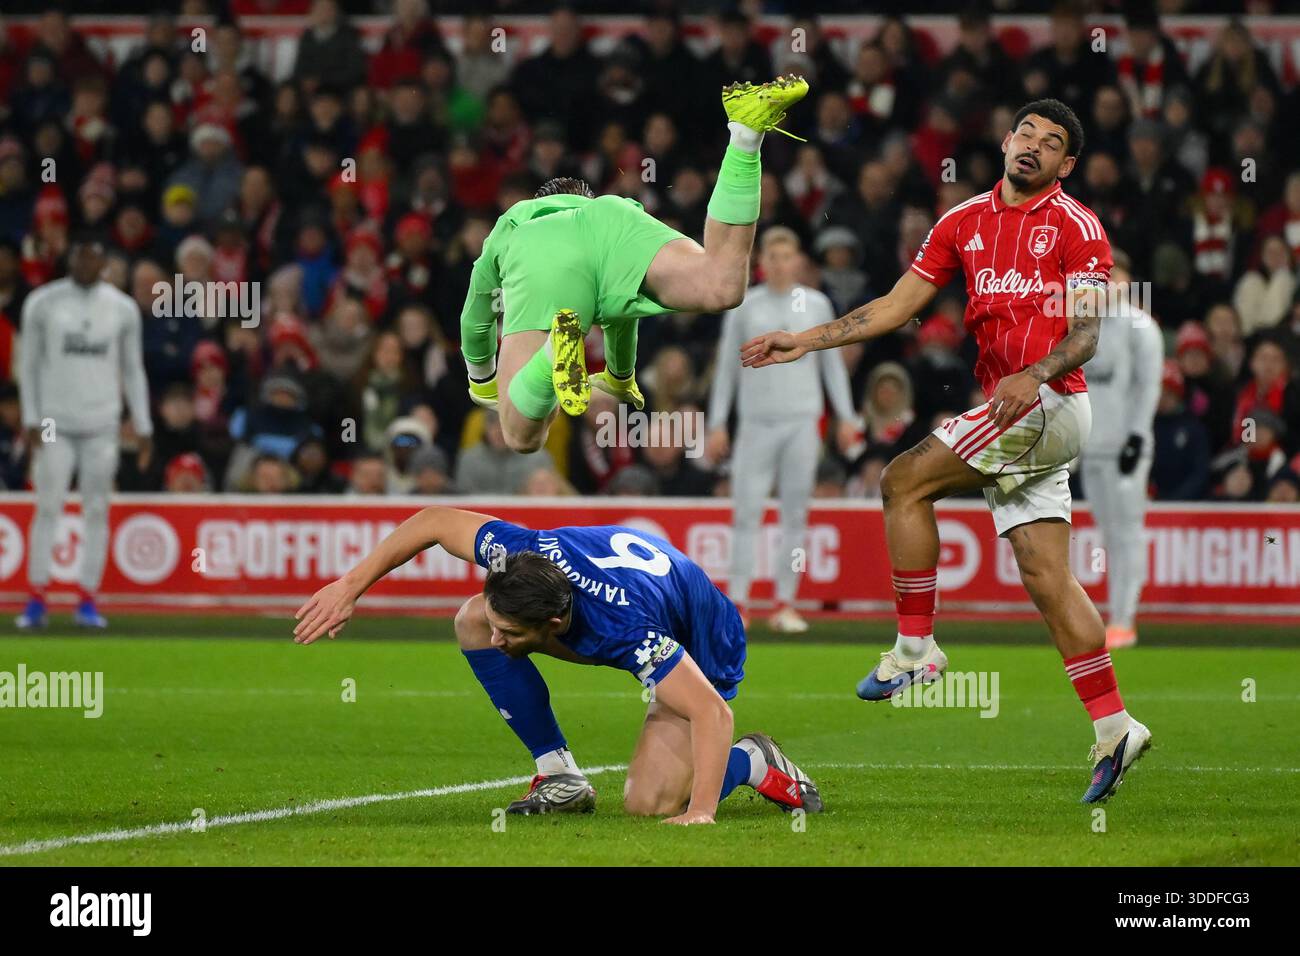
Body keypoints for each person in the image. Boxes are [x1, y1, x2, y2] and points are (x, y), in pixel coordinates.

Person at [740, 99, 1150, 804]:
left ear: (1066, 165)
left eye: (1050, 144)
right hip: (1018, 409)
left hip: (1047, 403)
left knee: (903, 482)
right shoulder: (961, 223)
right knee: (1046, 575)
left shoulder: (1078, 228)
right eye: (1025, 132)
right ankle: (1116, 728)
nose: (1032, 147)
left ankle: (915, 649)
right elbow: (897, 306)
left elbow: (1086, 336)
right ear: (1006, 137)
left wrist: (1035, 373)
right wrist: (805, 342)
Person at [293, 507, 823, 824]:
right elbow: (433, 522)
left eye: (514, 633)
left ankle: (753, 761)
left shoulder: (626, 631)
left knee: (651, 803)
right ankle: (560, 777)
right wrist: (349, 586)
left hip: (701, 633)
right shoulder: (518, 552)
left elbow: (711, 713)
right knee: (470, 620)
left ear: (552, 621)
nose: (497, 640)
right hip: (632, 597)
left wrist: (702, 811)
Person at [459, 75, 809, 454]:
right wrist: (619, 376)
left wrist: (481, 380)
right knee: (720, 284)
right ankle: (745, 135)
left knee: (523, 434)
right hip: (617, 217)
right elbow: (621, 315)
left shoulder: (516, 222)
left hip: (541, 248)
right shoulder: (600, 209)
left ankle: (550, 356)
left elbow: (475, 319)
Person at [706, 226, 856, 632]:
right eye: (771, 256)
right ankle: (737, 603)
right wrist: (718, 423)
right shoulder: (744, 305)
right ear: (761, 263)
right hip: (755, 423)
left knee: (795, 515)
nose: (779, 263)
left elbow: (831, 367)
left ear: (798, 262)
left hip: (801, 421)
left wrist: (846, 416)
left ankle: (785, 603)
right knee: (746, 514)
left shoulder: (817, 304)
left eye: (786, 256)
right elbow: (726, 370)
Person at [16, 231, 152, 629]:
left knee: (97, 509)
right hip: (55, 422)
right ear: (70, 259)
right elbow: (28, 364)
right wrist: (31, 418)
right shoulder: (43, 303)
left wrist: (142, 424)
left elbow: (132, 369)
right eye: (80, 257)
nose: (86, 265)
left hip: (101, 424)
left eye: (94, 258)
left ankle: (88, 599)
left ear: (104, 263)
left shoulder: (122, 309)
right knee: (48, 505)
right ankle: (37, 597)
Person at [1079, 253, 1163, 650]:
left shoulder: (1140, 327)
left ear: (1129, 280)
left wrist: (1136, 436)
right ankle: (1113, 615)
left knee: (1127, 532)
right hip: (1091, 445)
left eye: (1114, 275)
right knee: (1109, 533)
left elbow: (1148, 387)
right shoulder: (1084, 324)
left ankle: (1124, 619)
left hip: (1126, 448)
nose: (1107, 282)